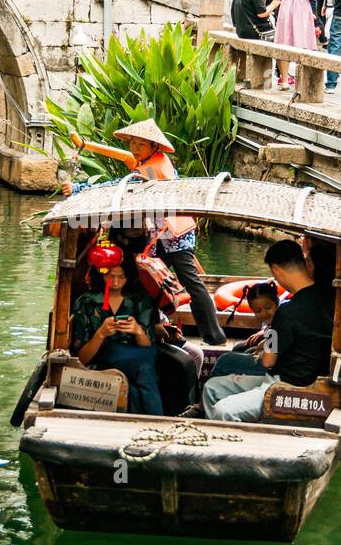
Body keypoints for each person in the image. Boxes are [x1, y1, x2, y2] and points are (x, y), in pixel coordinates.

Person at [62, 118, 226, 345]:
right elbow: (128, 159)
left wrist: (80, 188)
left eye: (140, 145)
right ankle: (152, 324)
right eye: (132, 143)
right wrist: (87, 145)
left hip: (175, 234)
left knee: (191, 282)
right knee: (144, 278)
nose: (135, 149)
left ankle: (214, 336)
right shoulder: (155, 159)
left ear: (153, 146)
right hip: (163, 234)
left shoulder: (153, 167)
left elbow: (120, 186)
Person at [202, 240, 334, 422]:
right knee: (212, 387)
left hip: (284, 387)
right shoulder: (327, 298)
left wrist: (266, 342)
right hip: (292, 378)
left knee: (223, 411)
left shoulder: (286, 312)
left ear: (276, 270)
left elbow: (268, 361)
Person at [71, 259, 163, 416]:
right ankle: (157, 419)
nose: (115, 282)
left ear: (129, 277)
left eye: (121, 277)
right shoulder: (86, 302)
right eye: (110, 276)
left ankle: (151, 421)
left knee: (136, 386)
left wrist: (138, 331)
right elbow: (81, 359)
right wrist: (100, 334)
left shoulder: (139, 300)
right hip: (102, 360)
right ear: (101, 275)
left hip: (138, 358)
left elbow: (148, 347)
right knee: (144, 368)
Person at [266, 0, 318, 90]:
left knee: (284, 43)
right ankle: (304, 83)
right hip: (302, 7)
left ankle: (283, 81)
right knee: (305, 42)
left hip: (286, 7)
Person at [208, 282, 280, 380]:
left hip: (278, 372)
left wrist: (263, 347)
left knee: (225, 361)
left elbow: (268, 362)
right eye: (258, 311)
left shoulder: (278, 326)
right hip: (272, 360)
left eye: (268, 308)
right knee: (240, 348)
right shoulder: (273, 328)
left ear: (276, 303)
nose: (264, 313)